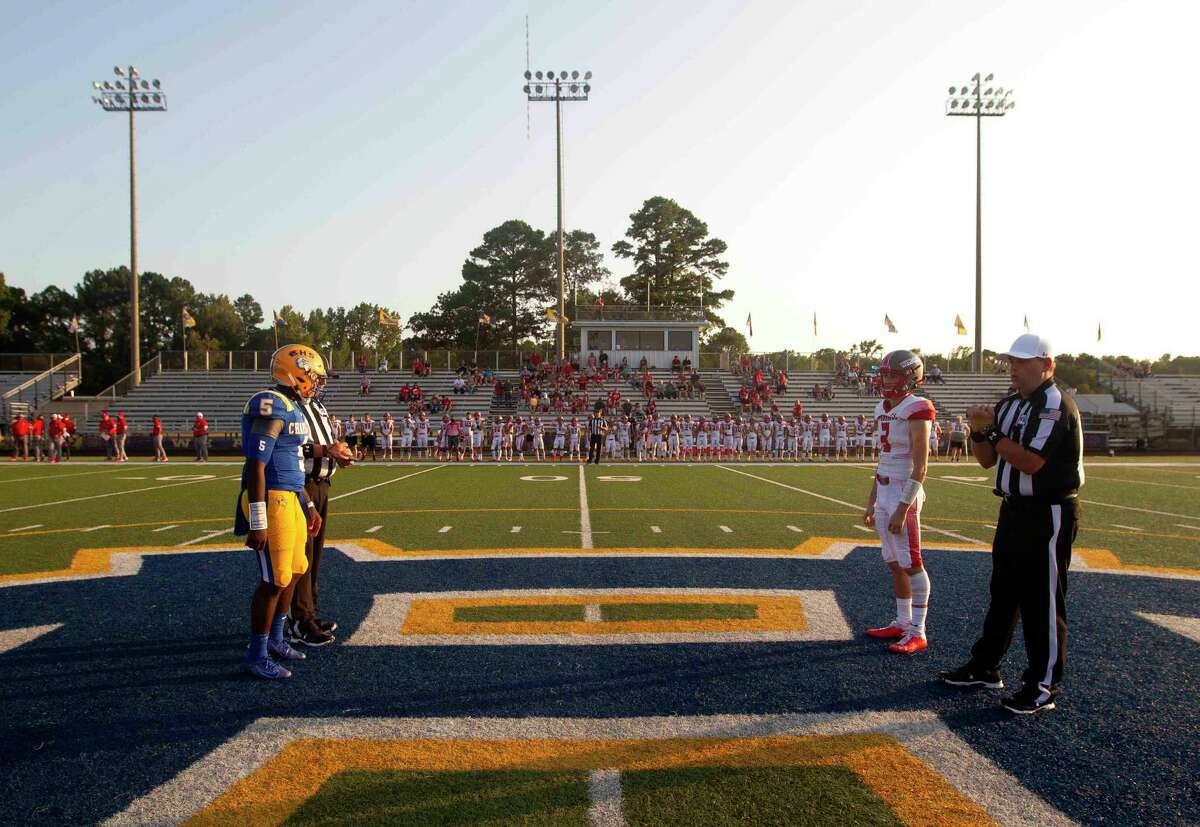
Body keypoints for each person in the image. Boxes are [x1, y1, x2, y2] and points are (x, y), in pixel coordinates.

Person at [940, 334, 1084, 714]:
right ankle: (985, 666)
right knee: (1003, 593)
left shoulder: (1055, 404)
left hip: (1048, 512)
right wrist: (976, 429)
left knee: (1043, 599)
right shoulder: (1009, 404)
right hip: (1013, 509)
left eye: (1022, 362)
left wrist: (989, 430)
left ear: (1046, 364)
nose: (1014, 368)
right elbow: (987, 460)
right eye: (1011, 362)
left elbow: (1032, 462)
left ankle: (1043, 684)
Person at [234, 344, 327, 679]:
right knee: (274, 580)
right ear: (295, 370)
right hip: (271, 499)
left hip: (291, 497)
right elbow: (258, 465)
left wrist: (309, 504)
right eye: (313, 374)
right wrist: (257, 522)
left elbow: (291, 464)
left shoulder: (293, 407)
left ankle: (275, 639)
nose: (316, 381)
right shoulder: (270, 403)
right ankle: (257, 654)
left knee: (297, 569)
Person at [862, 350, 936, 655]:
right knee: (893, 563)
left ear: (910, 377)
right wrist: (872, 501)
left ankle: (918, 631)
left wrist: (903, 507)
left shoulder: (919, 408)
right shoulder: (882, 406)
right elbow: (883, 460)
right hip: (884, 489)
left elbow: (921, 466)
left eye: (892, 374)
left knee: (911, 562)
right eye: (885, 374)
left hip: (905, 491)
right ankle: (903, 621)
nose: (886, 379)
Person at [287, 364, 355, 648]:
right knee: (301, 555)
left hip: (322, 484)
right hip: (299, 484)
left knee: (313, 555)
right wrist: (327, 450)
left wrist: (339, 452)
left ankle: (309, 612)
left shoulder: (316, 407)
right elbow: (288, 448)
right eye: (314, 377)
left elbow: (326, 443)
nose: (318, 383)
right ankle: (300, 620)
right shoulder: (286, 406)